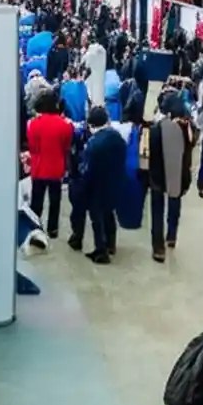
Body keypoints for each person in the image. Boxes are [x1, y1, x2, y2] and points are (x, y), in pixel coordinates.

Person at [69, 106, 125, 263]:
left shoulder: (94, 145)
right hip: (114, 183)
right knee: (109, 214)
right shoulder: (117, 137)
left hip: (96, 187)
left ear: (92, 125)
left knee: (97, 218)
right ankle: (111, 244)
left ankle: (101, 251)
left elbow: (86, 170)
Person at [148, 92, 196, 262]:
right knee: (175, 203)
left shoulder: (155, 129)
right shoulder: (188, 128)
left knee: (157, 210)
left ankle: (158, 247)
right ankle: (172, 235)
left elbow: (151, 155)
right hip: (179, 174)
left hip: (157, 176)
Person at [27, 91, 74, 239]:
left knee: (36, 201)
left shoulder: (33, 124)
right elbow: (66, 146)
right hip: (56, 167)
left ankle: (35, 227)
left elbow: (32, 147)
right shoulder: (65, 125)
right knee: (55, 201)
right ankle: (52, 229)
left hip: (39, 167)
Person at [83, 35, 108, 107]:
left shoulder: (90, 52)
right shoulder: (103, 51)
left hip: (92, 79)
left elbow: (86, 64)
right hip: (101, 78)